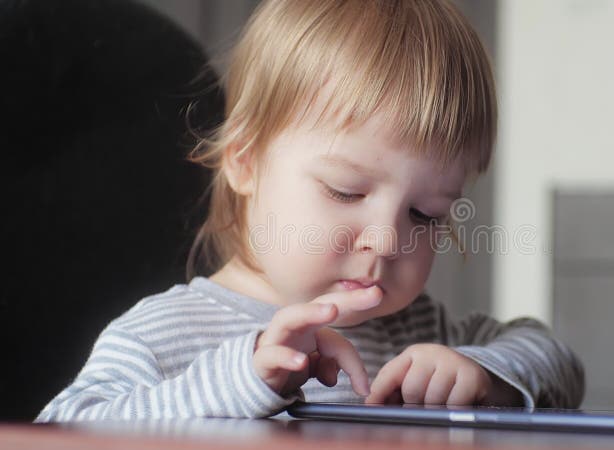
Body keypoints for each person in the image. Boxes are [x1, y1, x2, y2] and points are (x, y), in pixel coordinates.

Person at [36, 0, 584, 421]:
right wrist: (240, 380)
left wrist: (489, 375)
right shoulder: (166, 334)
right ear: (246, 163)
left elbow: (556, 361)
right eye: (345, 192)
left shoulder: (418, 330)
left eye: (425, 214)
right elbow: (63, 430)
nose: (387, 241)